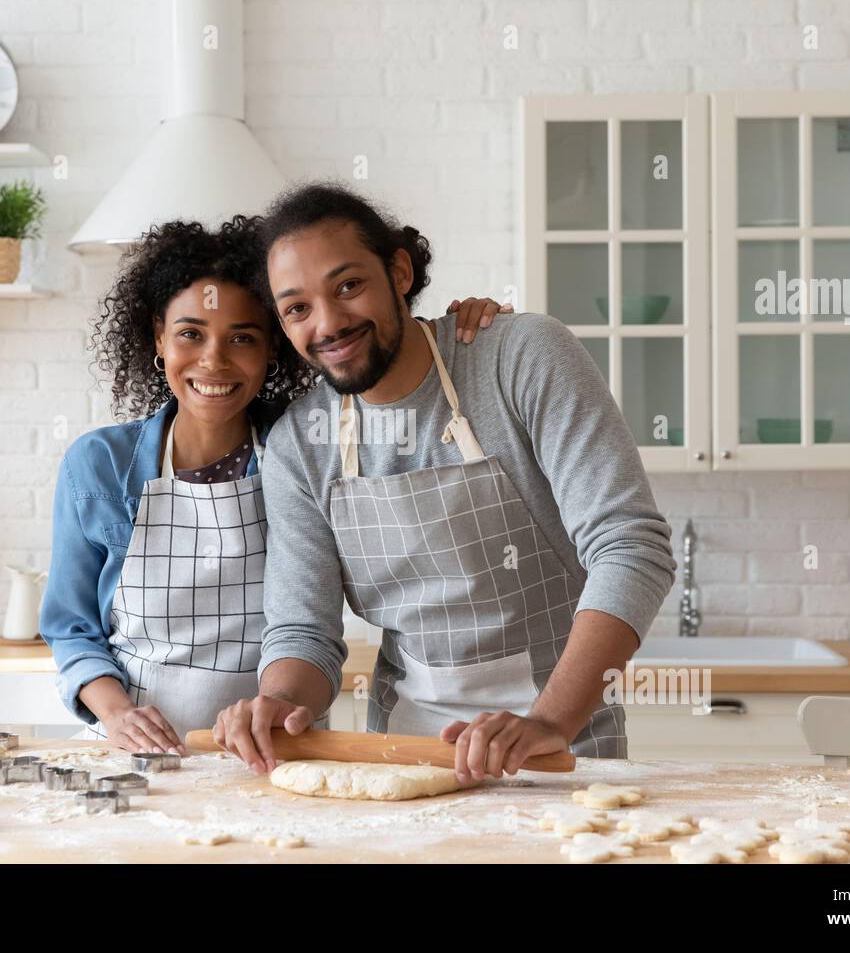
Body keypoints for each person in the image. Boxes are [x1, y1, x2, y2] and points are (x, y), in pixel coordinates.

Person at [213, 183, 677, 782]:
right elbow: (304, 628)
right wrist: (281, 698)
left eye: (348, 285)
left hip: (561, 750)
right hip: (402, 760)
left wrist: (548, 722)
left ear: (399, 271)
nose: (328, 323)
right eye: (297, 307)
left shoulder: (521, 358)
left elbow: (631, 547)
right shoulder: (301, 444)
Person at [40, 214, 509, 752]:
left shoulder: (306, 451)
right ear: (158, 338)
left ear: (273, 351)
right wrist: (119, 715)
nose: (213, 360)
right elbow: (70, 627)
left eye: (243, 338)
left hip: (275, 745)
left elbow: (382, 348)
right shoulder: (98, 466)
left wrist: (462, 333)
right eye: (190, 333)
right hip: (133, 749)